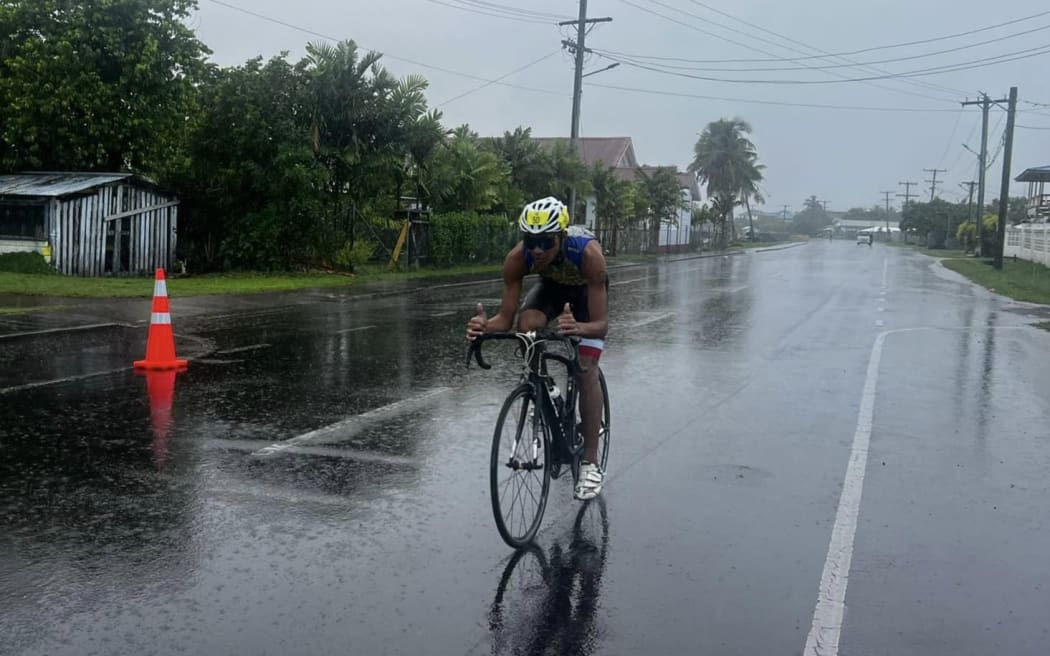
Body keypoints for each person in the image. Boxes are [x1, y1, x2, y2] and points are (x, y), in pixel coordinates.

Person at [466, 197, 609, 500]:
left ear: (561, 236)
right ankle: (541, 387)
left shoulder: (589, 255)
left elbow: (601, 325)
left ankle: (590, 463)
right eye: (531, 242)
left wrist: (578, 329)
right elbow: (504, 319)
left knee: (586, 369)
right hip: (552, 289)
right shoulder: (519, 259)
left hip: (585, 295)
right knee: (526, 323)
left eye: (546, 242)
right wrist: (483, 326)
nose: (538, 250)